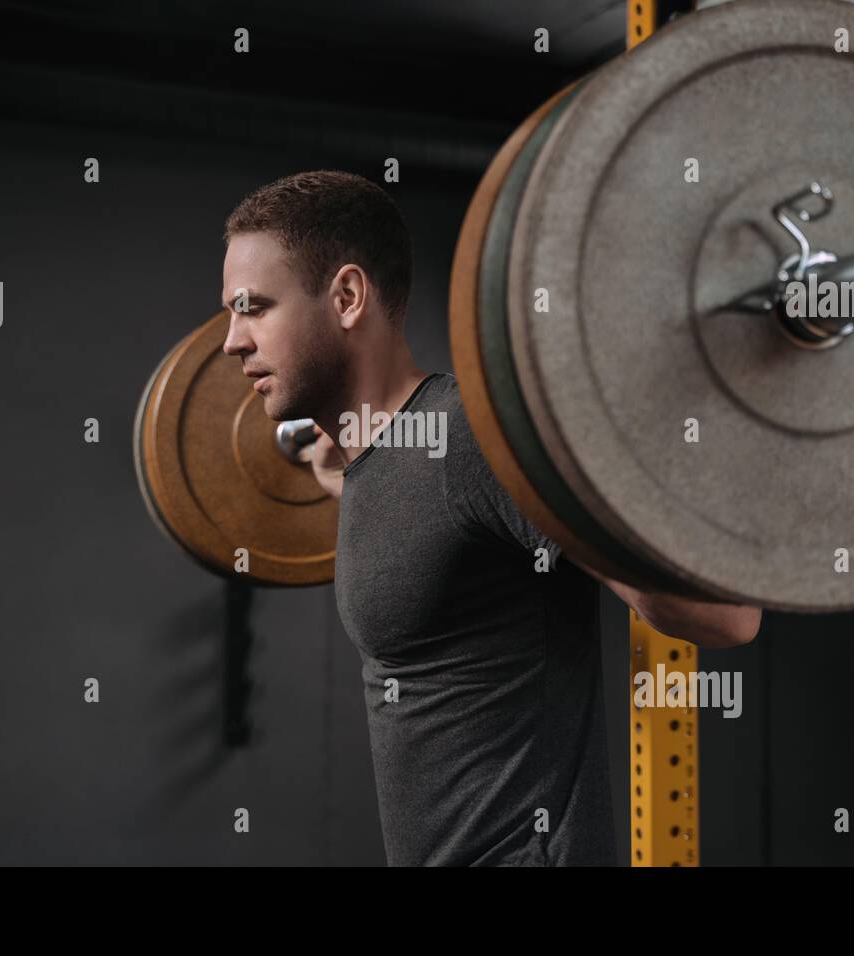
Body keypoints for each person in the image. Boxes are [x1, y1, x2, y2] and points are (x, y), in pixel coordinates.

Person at [221, 169, 760, 866]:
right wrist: (341, 479)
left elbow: (724, 616)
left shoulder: (479, 441)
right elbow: (439, 535)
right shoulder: (383, 463)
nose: (232, 340)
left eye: (253, 307)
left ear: (348, 297)